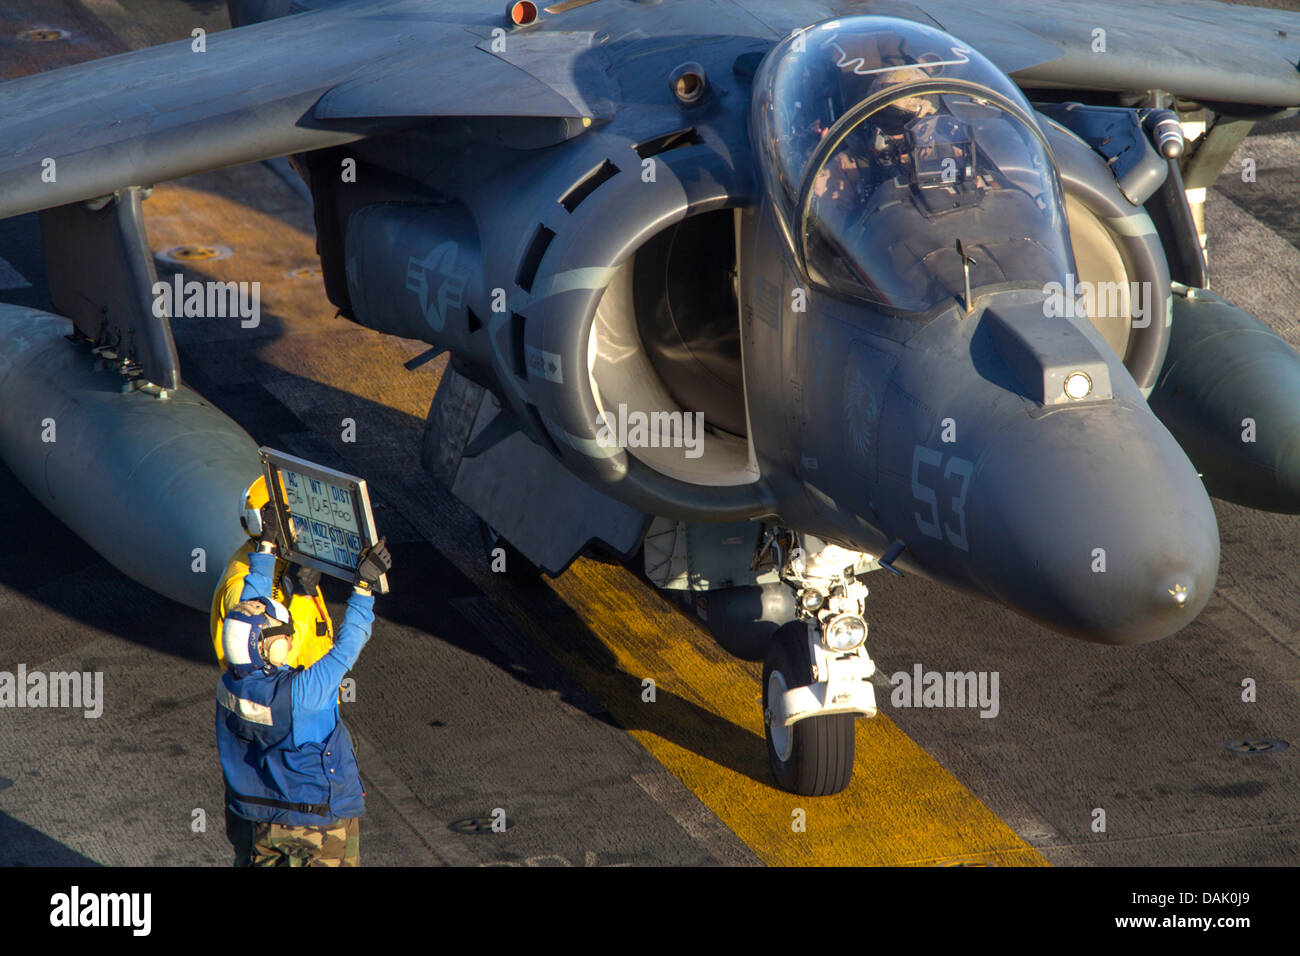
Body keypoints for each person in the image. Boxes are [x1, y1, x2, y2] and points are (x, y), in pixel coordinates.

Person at [216, 500, 393, 867]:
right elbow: (351, 641)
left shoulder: (232, 684)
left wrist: (266, 548)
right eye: (283, 631)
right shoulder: (304, 694)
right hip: (319, 826)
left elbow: (249, 614)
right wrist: (363, 586)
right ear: (274, 646)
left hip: (265, 821)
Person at [211, 478, 335, 671]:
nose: (304, 528)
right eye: (298, 518)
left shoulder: (281, 559)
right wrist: (303, 596)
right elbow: (266, 663)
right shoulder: (240, 586)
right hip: (286, 694)